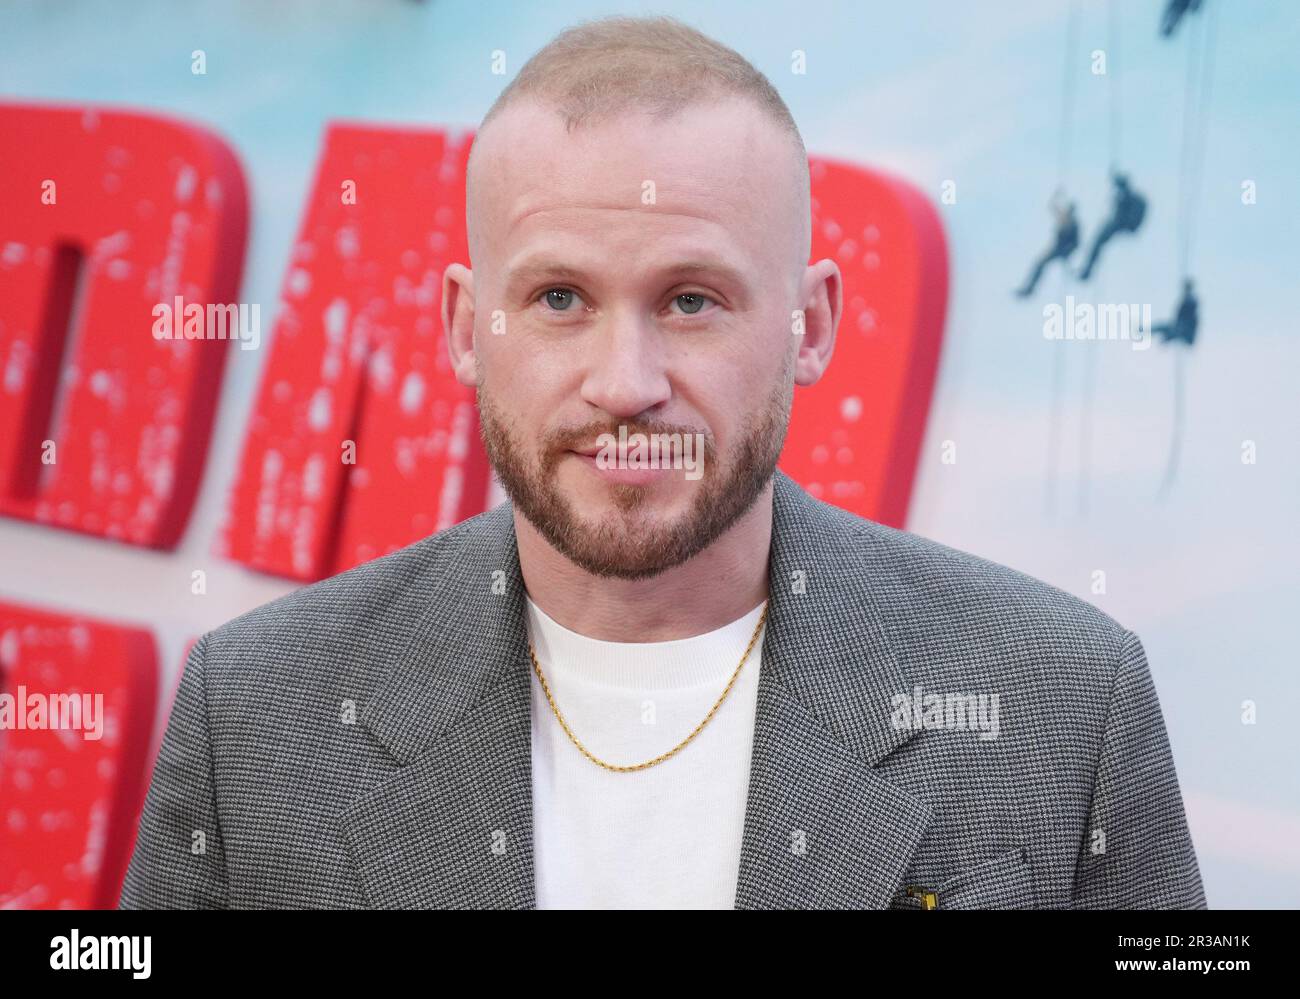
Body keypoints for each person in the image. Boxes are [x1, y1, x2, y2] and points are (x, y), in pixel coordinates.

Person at [120, 14, 1205, 910]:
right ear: (462, 327)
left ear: (811, 324)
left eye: (691, 300)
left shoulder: (1068, 698)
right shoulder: (254, 715)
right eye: (558, 300)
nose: (624, 382)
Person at [1078, 171, 1147, 281]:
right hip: (1122, 224)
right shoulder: (1126, 198)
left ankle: (1087, 271)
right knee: (1097, 241)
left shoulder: (1132, 199)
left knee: (1098, 241)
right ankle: (1087, 270)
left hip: (1124, 225)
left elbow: (1127, 218)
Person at [1015, 191, 1080, 297]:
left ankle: (1078, 277)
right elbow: (1052, 205)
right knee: (1039, 264)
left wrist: (1067, 251)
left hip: (1065, 250)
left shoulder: (1074, 224)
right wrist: (1057, 193)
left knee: (1068, 270)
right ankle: (1028, 289)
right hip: (1056, 248)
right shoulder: (1062, 216)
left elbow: (1077, 243)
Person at [1154, 278, 1200, 346]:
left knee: (1164, 329)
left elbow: (1186, 323)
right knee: (1162, 327)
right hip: (1182, 331)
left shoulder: (1190, 302)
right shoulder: (1188, 301)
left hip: (1186, 334)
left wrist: (1168, 337)